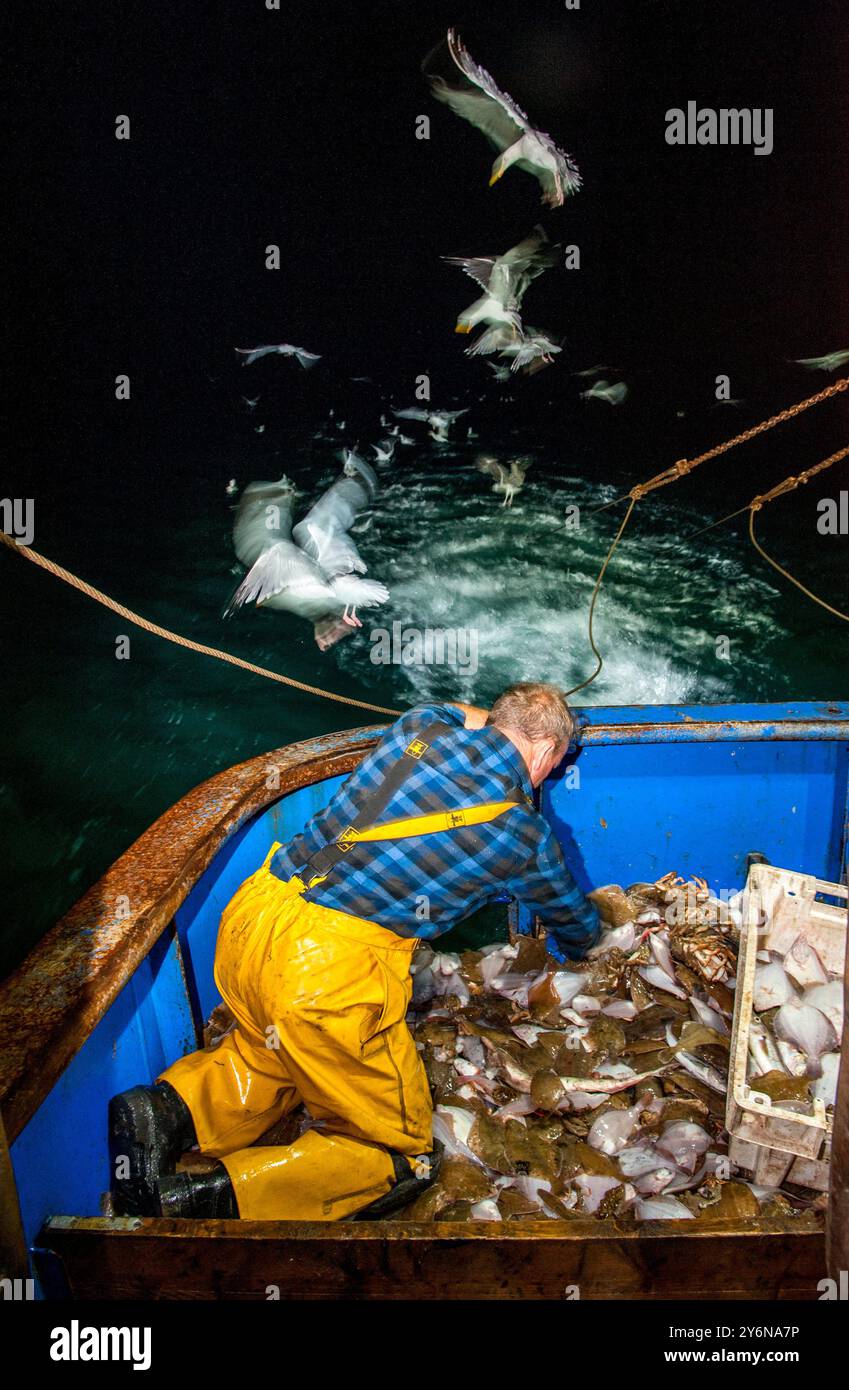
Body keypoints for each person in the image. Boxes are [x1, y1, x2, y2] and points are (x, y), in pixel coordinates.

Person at [108, 681, 601, 1222]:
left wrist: (513, 718)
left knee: (277, 1050)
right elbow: (569, 916)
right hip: (326, 972)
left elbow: (459, 711)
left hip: (256, 916)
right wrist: (587, 948)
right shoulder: (522, 833)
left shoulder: (418, 728)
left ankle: (164, 1112)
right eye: (551, 763)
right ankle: (200, 1201)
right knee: (395, 1152)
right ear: (548, 753)